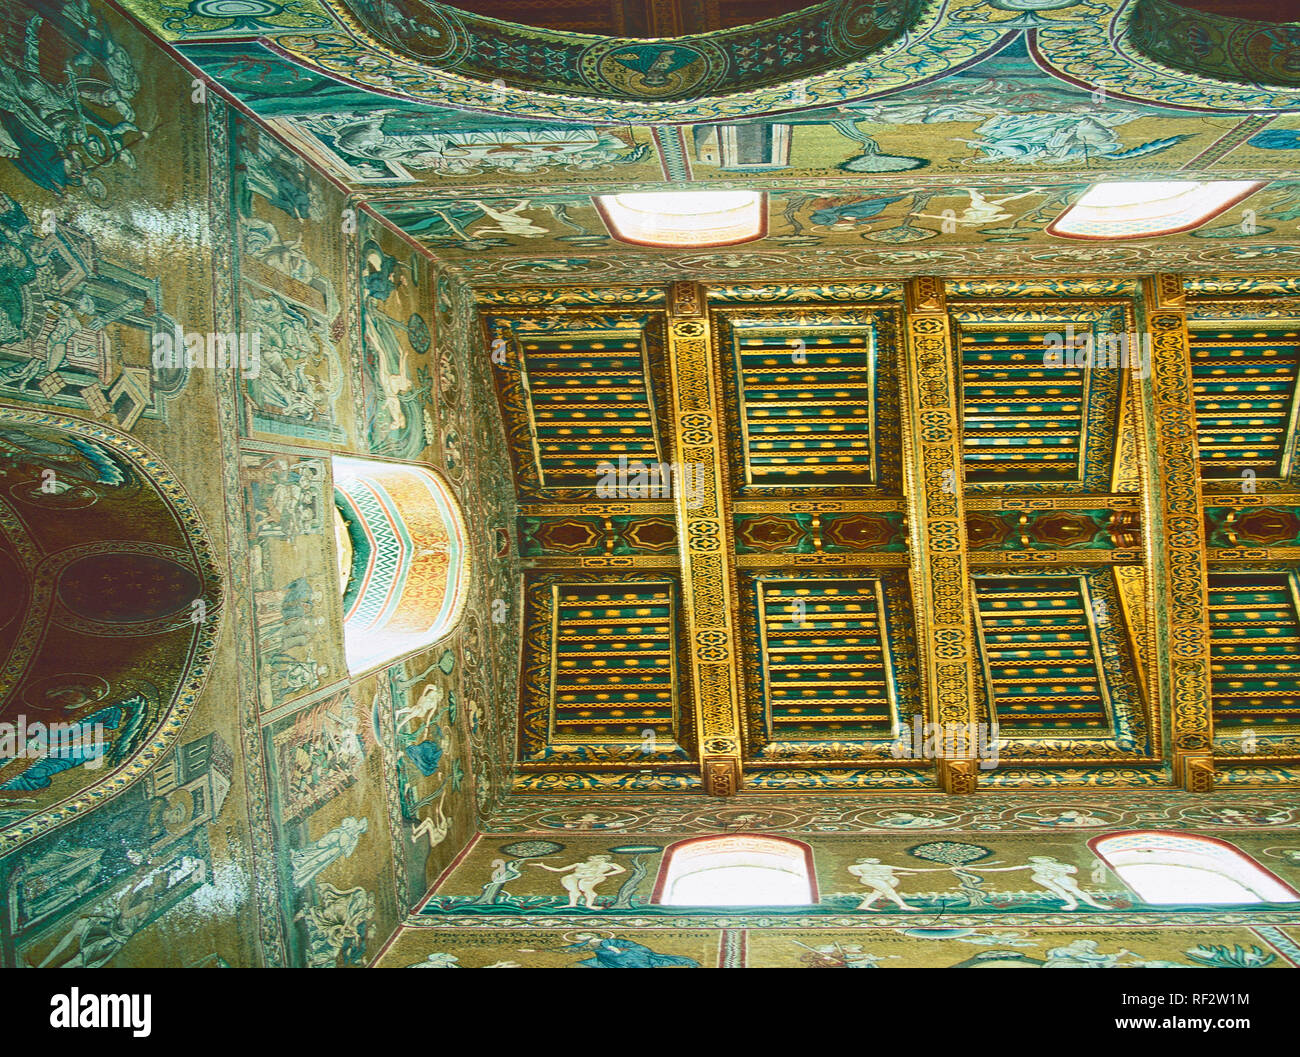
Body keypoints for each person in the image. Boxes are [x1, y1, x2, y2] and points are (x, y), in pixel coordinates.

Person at [530, 853, 625, 909]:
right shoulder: (580, 864)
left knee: (586, 888)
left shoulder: (610, 864)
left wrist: (604, 874)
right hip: (574, 876)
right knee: (574, 890)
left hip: (592, 877)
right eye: (593, 858)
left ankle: (589, 905)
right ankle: (572, 904)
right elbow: (559, 869)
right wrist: (543, 866)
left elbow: (622, 870)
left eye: (598, 858)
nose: (594, 860)